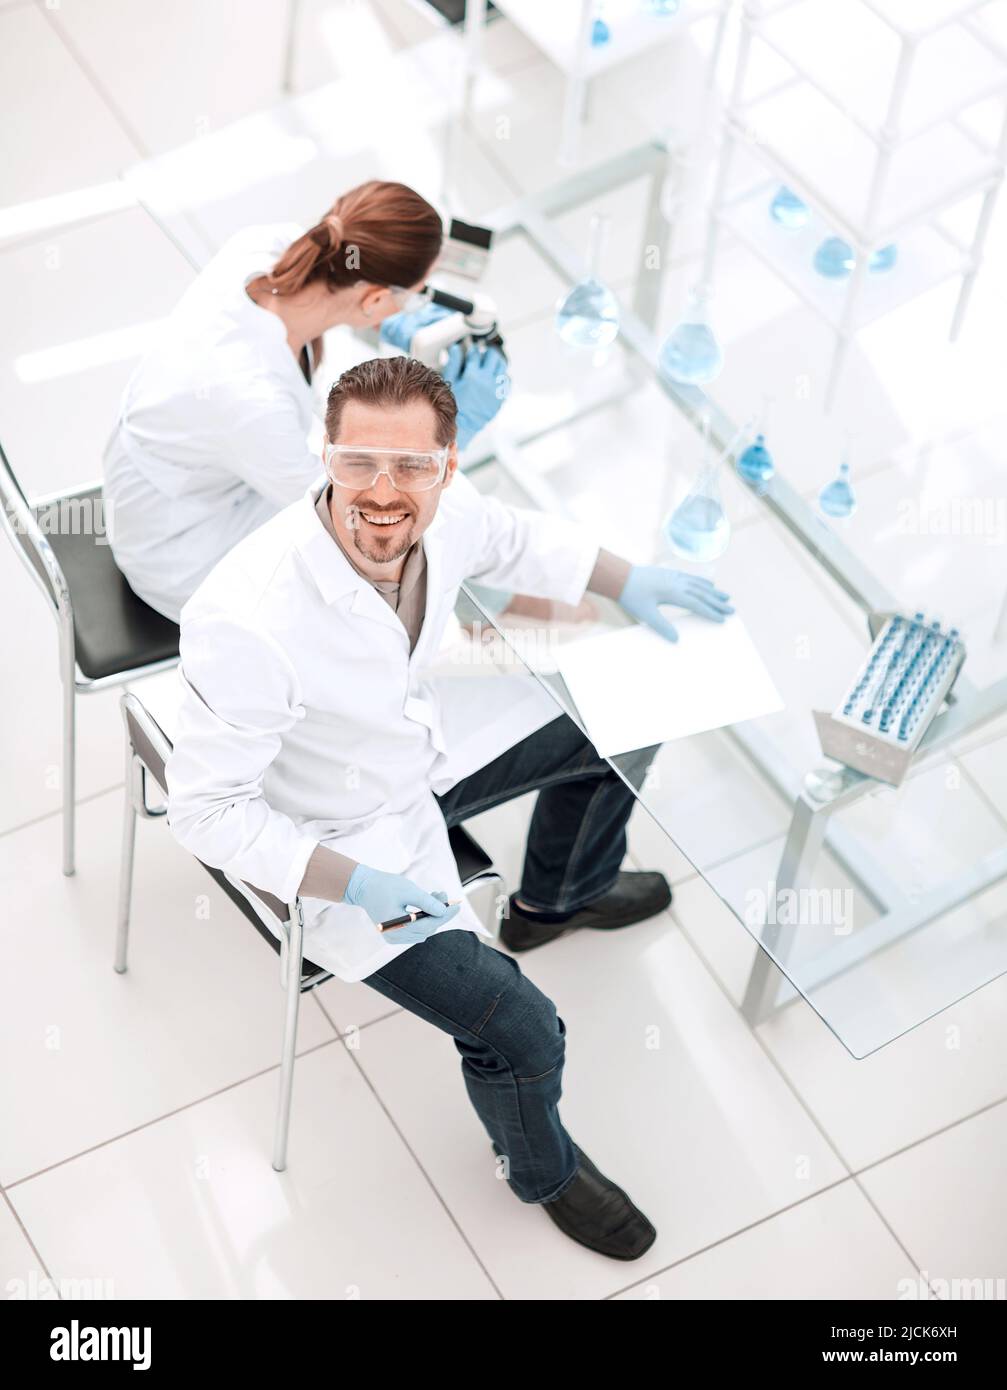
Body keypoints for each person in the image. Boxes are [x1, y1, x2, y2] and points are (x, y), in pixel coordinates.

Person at [165, 356, 733, 1260]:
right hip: (333, 837)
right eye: (357, 462)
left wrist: (628, 581)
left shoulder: (451, 512)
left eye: (412, 468)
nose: (383, 492)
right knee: (521, 1029)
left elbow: (515, 539)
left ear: (448, 467)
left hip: (414, 757)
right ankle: (538, 1168)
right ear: (324, 455)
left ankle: (555, 898)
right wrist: (356, 884)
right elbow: (206, 812)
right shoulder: (248, 616)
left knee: (623, 719)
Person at [102, 180, 506, 622]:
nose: (410, 308)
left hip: (203, 478)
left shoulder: (269, 246)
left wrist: (379, 324)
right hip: (179, 554)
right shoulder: (252, 400)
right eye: (411, 298)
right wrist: (452, 430)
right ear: (374, 298)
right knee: (405, 565)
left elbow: (330, 295)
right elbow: (357, 510)